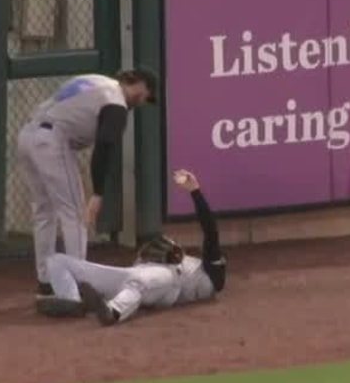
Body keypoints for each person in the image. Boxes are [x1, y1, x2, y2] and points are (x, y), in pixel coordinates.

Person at [17, 69, 157, 298]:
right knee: (74, 214)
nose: (143, 101)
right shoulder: (116, 103)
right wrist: (98, 194)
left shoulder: (96, 80)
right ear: (138, 83)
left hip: (27, 136)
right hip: (51, 140)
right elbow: (105, 147)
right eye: (146, 94)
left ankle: (46, 282)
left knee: (44, 212)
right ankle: (77, 285)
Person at [37, 169, 227, 326]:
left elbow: (211, 230)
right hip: (134, 276)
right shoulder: (196, 265)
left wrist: (195, 191)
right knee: (56, 261)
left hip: (166, 284)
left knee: (137, 282)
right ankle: (73, 301)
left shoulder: (211, 278)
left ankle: (113, 312)